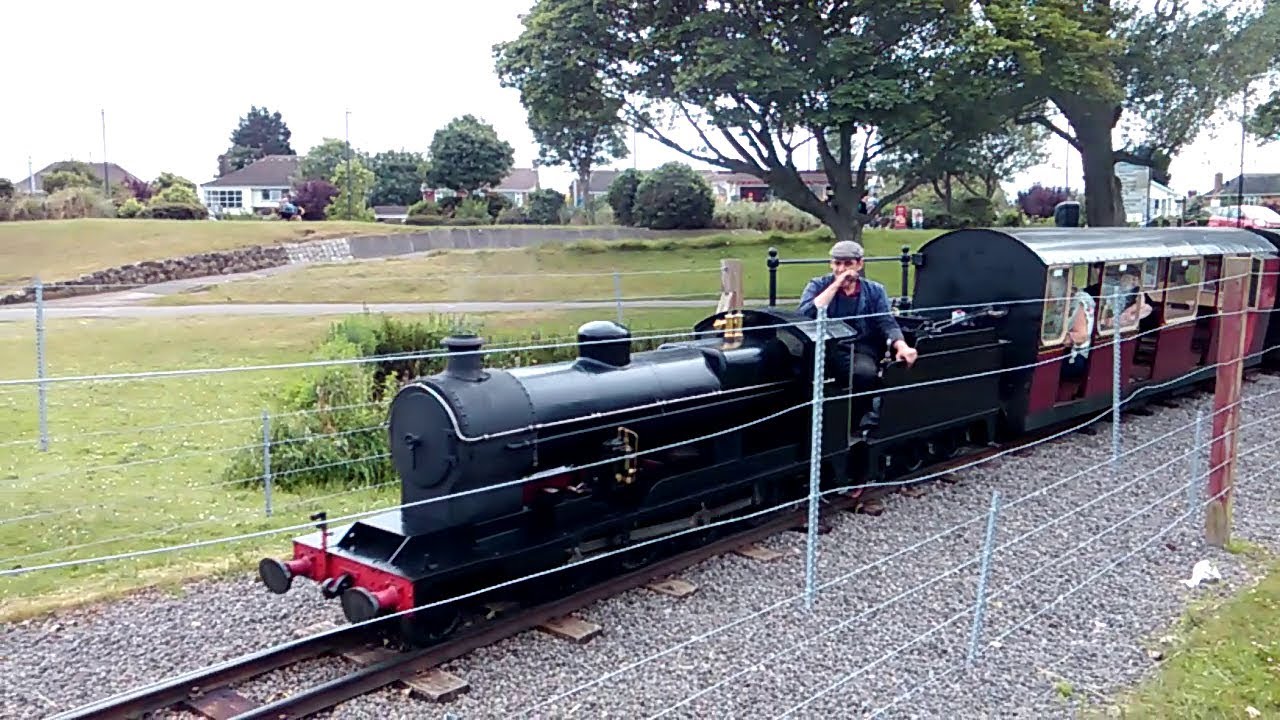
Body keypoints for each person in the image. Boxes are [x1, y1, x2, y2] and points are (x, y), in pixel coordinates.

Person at [798, 240, 918, 398]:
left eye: (848, 264)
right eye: (837, 263)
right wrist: (836, 284)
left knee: (864, 373)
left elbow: (886, 322)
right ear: (831, 264)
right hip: (823, 346)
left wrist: (902, 346)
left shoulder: (875, 290)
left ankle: (861, 416)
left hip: (859, 348)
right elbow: (806, 314)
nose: (841, 269)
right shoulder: (817, 285)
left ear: (860, 264)